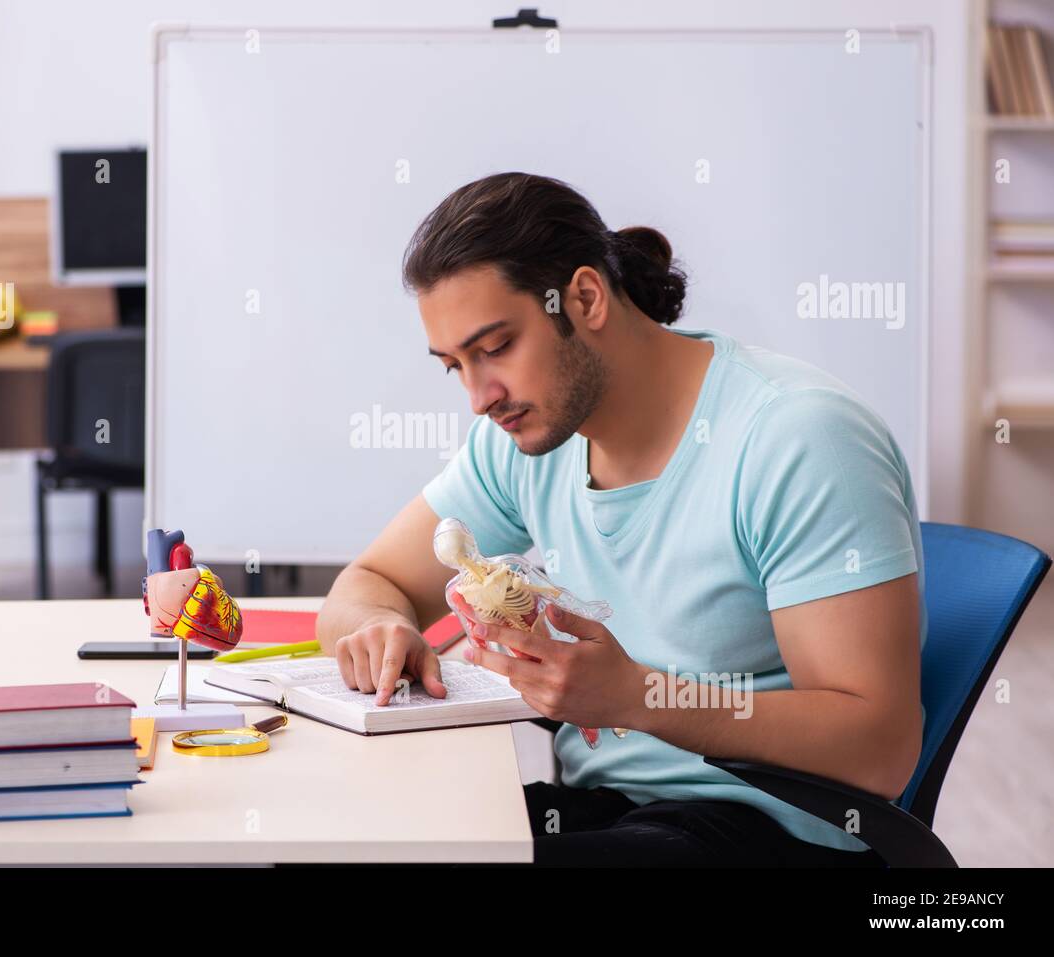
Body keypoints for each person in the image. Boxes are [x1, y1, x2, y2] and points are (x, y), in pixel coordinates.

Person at [314, 172, 924, 866]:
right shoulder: (526, 435)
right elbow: (370, 579)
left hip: (772, 830)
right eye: (454, 365)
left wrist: (639, 696)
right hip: (615, 812)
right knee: (343, 837)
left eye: (495, 347)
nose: (478, 396)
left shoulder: (797, 438)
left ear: (585, 297)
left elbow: (881, 747)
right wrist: (377, 628)